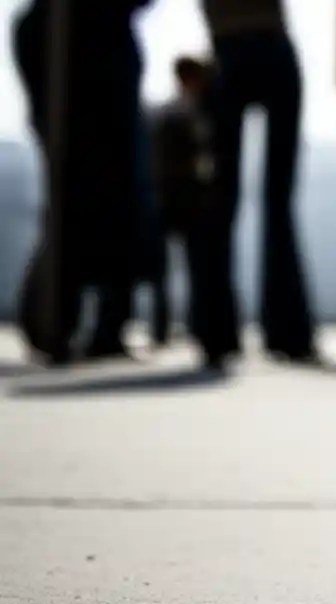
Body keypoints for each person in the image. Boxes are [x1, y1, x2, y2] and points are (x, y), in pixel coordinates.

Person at [13, 0, 152, 364]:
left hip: (93, 64)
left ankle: (85, 321)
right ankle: (60, 318)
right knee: (88, 206)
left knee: (99, 206)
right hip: (81, 68)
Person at [198, 0, 317, 368]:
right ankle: (287, 332)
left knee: (221, 201)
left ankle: (217, 332)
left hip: (226, 47)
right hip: (266, 43)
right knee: (276, 201)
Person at [149, 56, 217, 347]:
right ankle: (184, 325)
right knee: (188, 266)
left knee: (173, 268)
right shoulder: (191, 113)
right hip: (184, 197)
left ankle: (169, 327)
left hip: (171, 197)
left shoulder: (166, 112)